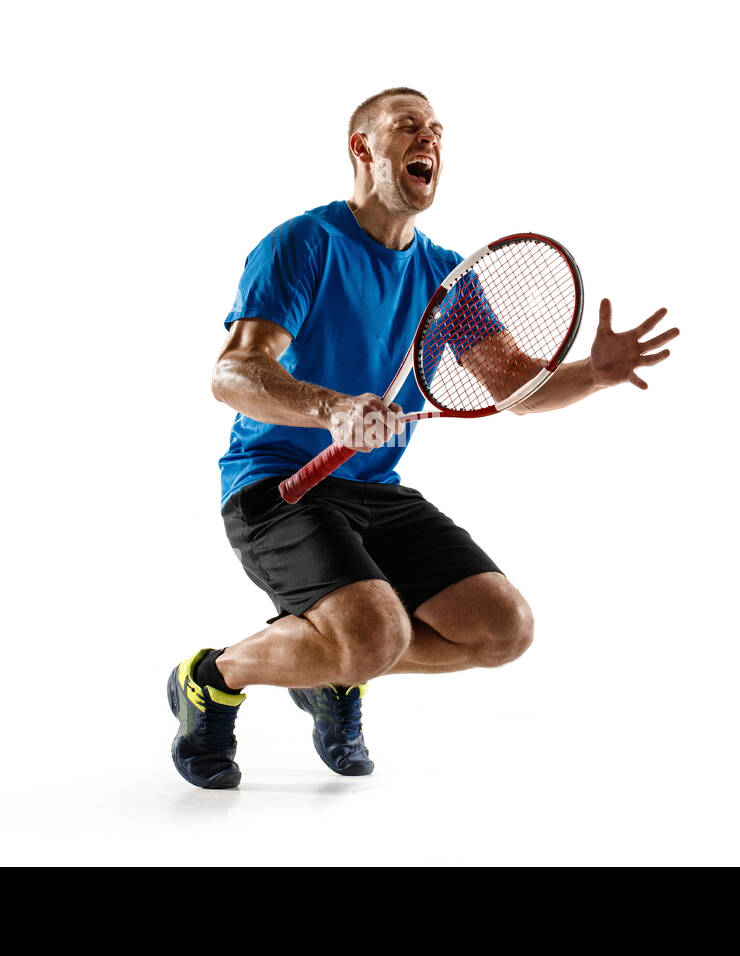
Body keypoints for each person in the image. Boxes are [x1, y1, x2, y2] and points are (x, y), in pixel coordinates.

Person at [168, 87, 678, 789]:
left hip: (373, 489)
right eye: (409, 127)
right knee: (377, 633)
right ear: (362, 149)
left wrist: (596, 373)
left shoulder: (446, 278)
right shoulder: (303, 245)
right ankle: (211, 678)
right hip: (278, 486)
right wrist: (332, 408)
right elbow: (233, 373)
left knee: (504, 629)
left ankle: (334, 665)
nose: (429, 141)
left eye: (437, 131)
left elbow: (517, 391)